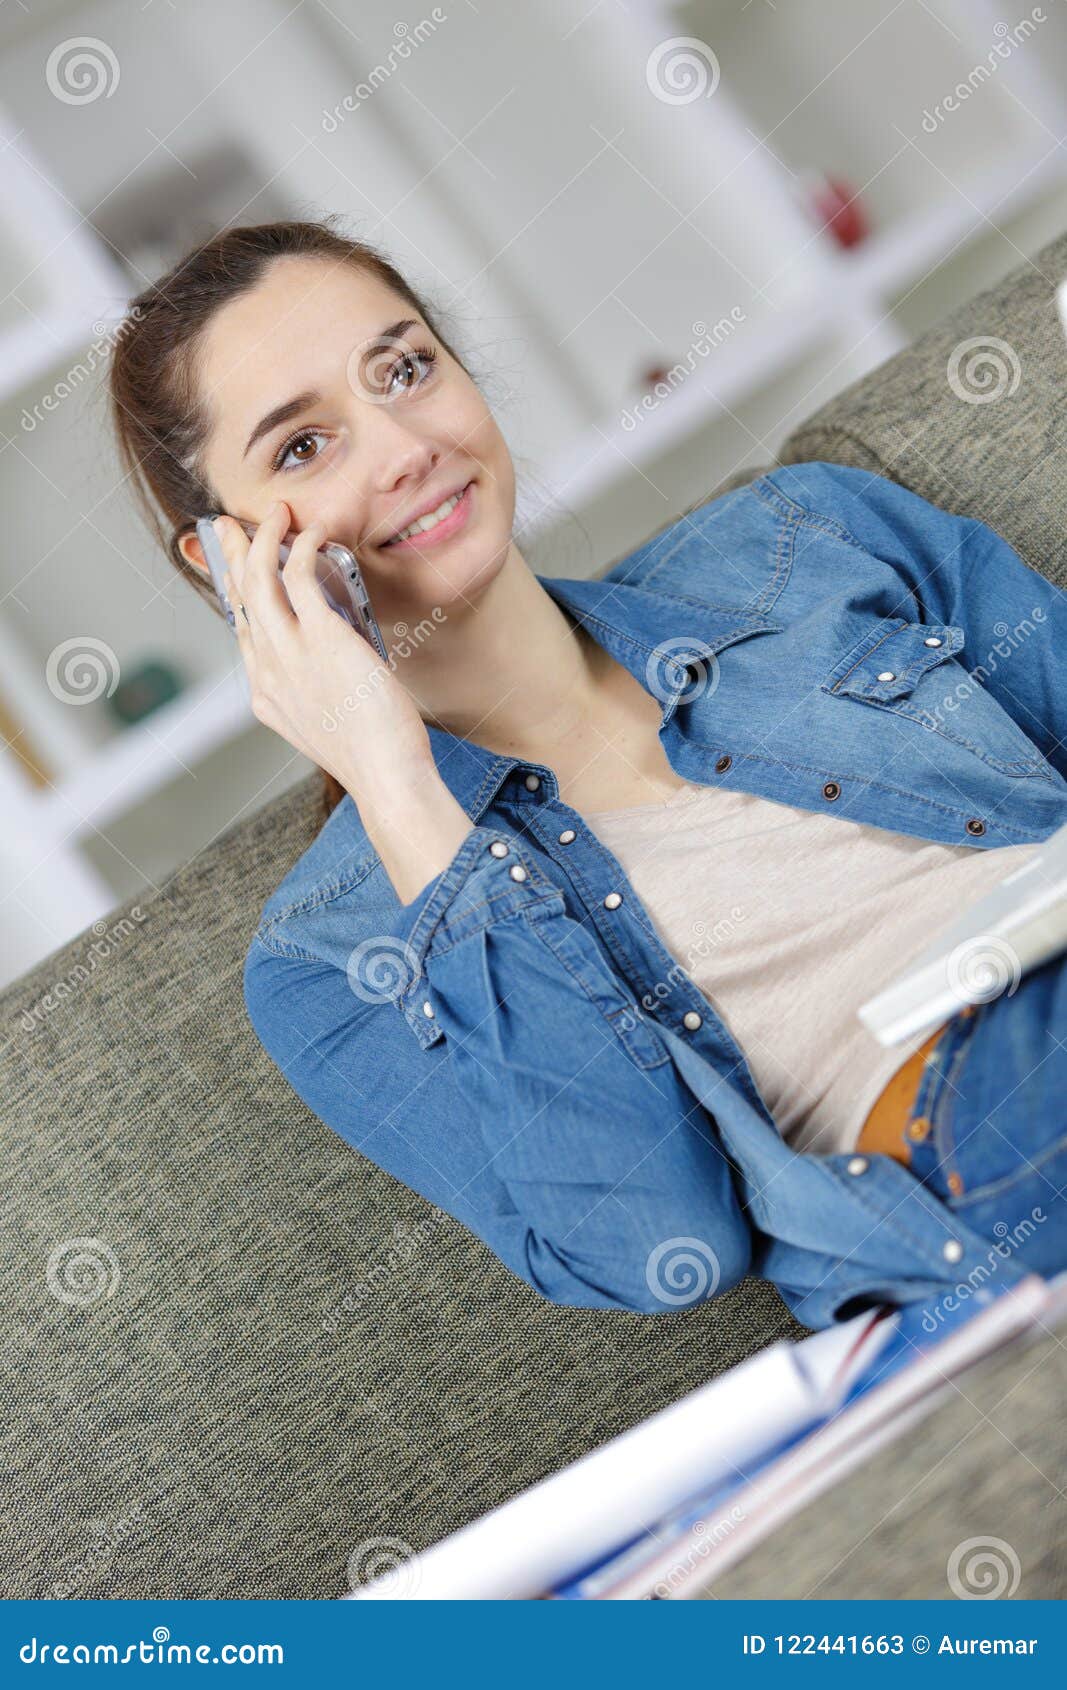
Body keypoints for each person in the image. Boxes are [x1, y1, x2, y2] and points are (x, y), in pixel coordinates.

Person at [108, 217, 1067, 1330]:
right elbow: (663, 1240)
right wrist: (393, 783)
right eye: (303, 447)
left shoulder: (803, 537)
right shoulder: (327, 961)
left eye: (405, 369)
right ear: (229, 558)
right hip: (978, 1135)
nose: (402, 446)